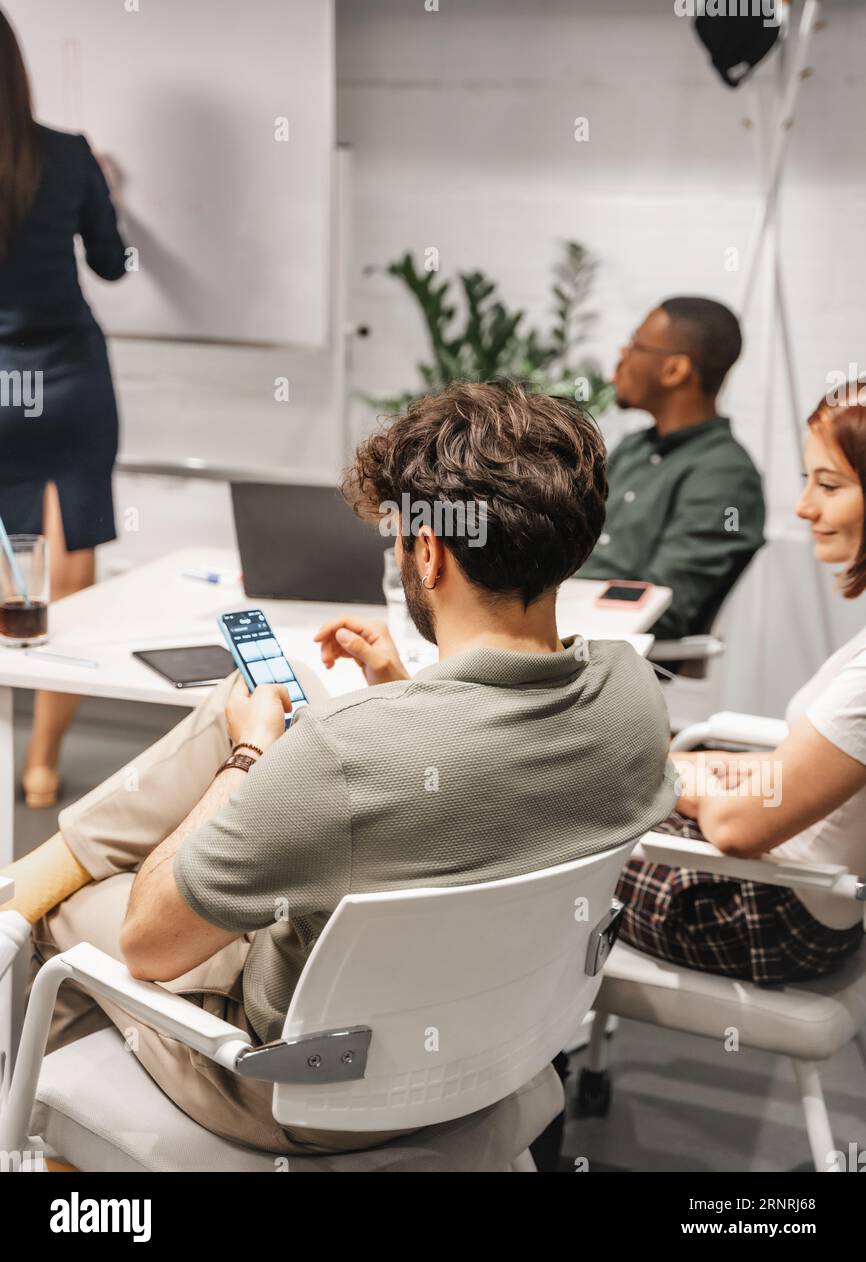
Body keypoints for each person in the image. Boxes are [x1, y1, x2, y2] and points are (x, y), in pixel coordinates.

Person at [0, 381, 677, 1156]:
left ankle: (34, 1124)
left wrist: (251, 757)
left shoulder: (342, 751)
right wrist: (400, 695)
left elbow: (151, 946)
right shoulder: (631, 696)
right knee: (254, 698)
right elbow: (489, 790)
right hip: (494, 1054)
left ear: (428, 552)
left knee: (66, 917)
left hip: (299, 1094)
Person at [617, 375, 866, 982]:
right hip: (804, 891)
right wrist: (705, 772)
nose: (805, 507)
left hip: (761, 914)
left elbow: (736, 827)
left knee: (536, 836)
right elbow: (811, 776)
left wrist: (665, 774)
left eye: (828, 485)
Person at [0, 5, 127, 808]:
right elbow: (111, 265)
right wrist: (100, 188)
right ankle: (42, 765)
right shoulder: (69, 155)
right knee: (69, 591)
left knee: (8, 582)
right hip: (71, 385)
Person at [576, 296, 766, 640]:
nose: (622, 356)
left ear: (674, 370)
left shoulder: (724, 475)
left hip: (599, 653)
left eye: (635, 344)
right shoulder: (633, 448)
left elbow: (663, 607)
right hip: (558, 625)